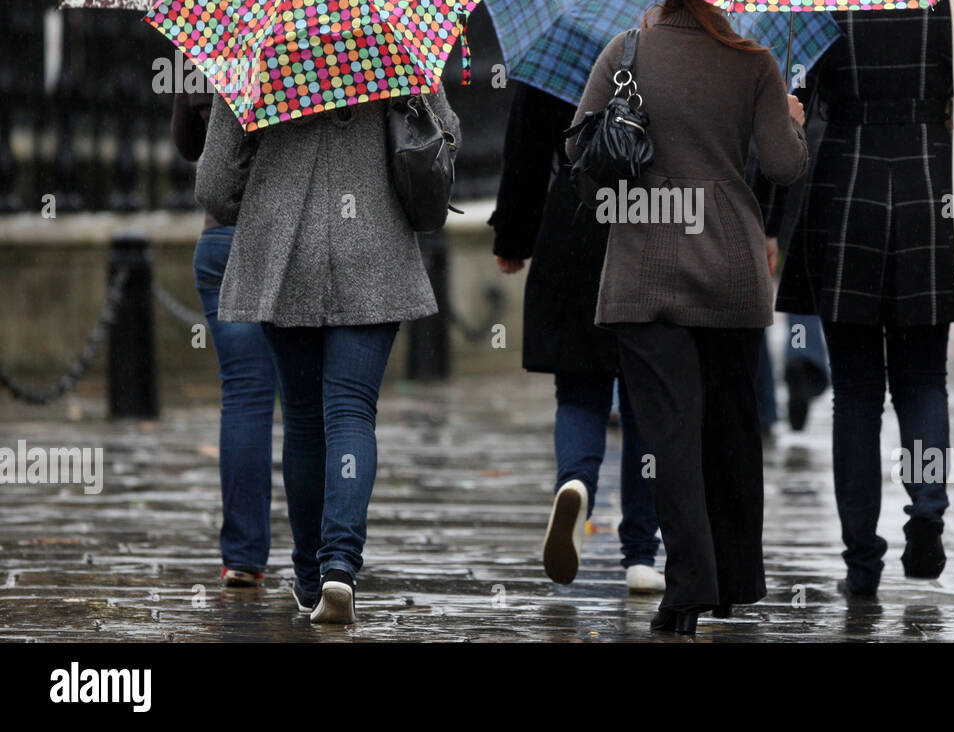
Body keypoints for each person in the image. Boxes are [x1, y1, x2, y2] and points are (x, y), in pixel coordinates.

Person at [567, 0, 808, 634]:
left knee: (669, 434)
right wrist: (791, 119)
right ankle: (732, 581)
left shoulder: (626, 51)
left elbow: (577, 150)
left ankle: (688, 587)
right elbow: (784, 167)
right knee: (731, 429)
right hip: (729, 270)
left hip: (643, 273)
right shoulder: (755, 60)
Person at [773, 0, 954, 598]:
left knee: (855, 397)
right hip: (932, 194)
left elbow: (800, 98)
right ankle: (926, 511)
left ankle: (861, 563)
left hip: (847, 195)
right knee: (924, 379)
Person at [195, 84, 460, 625]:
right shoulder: (390, 35)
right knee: (352, 411)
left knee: (303, 418)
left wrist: (274, 180)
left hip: (282, 251)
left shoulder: (257, 43)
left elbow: (216, 187)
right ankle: (340, 564)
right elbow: (446, 139)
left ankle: (310, 575)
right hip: (374, 246)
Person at [489, 81, 663, 593]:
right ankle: (639, 553)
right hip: (652, 221)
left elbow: (524, 148)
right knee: (646, 402)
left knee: (579, 389)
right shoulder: (671, 45)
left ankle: (576, 481)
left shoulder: (557, 48)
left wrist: (513, 237)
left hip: (574, 221)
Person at [172, 88, 278, 590]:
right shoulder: (320, 28)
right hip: (286, 236)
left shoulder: (211, 26)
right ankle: (324, 559)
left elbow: (189, 145)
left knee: (244, 397)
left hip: (220, 238)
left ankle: (243, 556)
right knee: (312, 404)